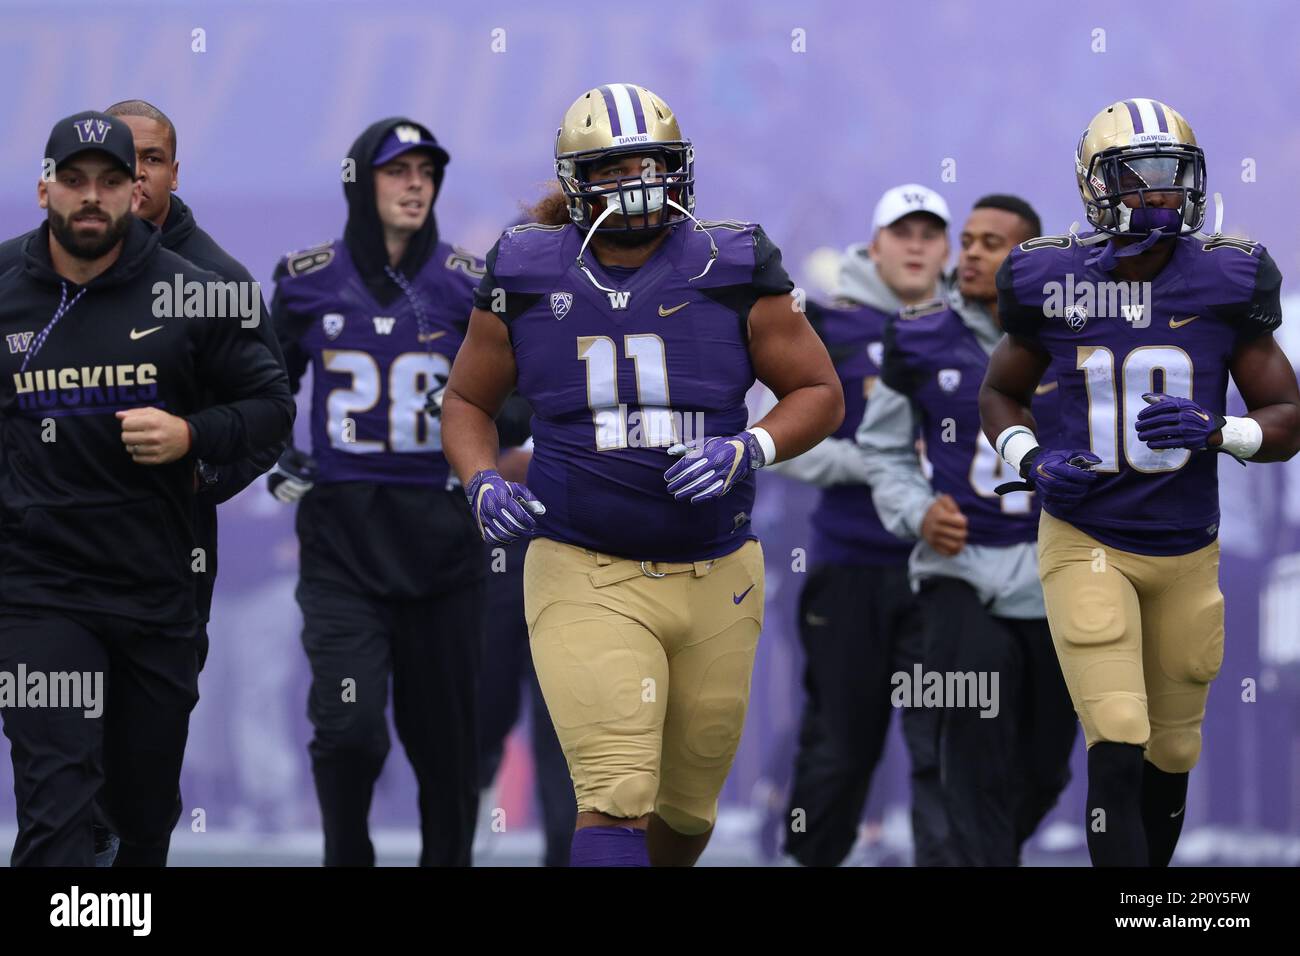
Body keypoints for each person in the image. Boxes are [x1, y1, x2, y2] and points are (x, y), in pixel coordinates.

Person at [442, 82, 843, 867]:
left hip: (718, 567)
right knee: (617, 792)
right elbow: (466, 400)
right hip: (582, 563)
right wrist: (482, 479)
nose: (642, 183)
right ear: (574, 181)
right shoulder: (524, 269)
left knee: (688, 809)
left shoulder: (733, 263)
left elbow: (819, 392)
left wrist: (748, 448)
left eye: (654, 164)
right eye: (618, 168)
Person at [980, 99, 1300, 866]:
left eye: (1173, 177)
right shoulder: (1047, 276)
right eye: (1141, 176)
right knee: (1118, 734)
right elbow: (999, 394)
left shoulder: (1229, 276)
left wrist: (1222, 432)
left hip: (1190, 548)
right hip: (1087, 537)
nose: (1161, 194)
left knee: (1174, 749)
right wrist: (1029, 460)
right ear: (1097, 186)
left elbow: (1287, 414)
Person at [0, 111, 292, 866]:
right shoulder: (3, 285)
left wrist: (193, 438)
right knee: (57, 802)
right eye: (73, 180)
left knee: (138, 812)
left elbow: (272, 410)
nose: (89, 197)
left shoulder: (200, 292)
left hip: (156, 590)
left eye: (109, 181)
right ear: (44, 190)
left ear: (138, 192)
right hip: (39, 593)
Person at [270, 117, 494, 866]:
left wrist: (489, 448)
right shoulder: (306, 280)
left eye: (427, 172)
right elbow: (263, 383)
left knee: (447, 753)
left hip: (443, 546)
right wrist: (284, 456)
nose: (415, 185)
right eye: (397, 171)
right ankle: (346, 857)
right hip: (342, 544)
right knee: (350, 728)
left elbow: (517, 394)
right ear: (359, 182)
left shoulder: (469, 283)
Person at [859, 195, 1077, 865]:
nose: (974, 252)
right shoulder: (919, 333)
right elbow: (884, 447)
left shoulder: (1074, 335)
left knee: (1046, 767)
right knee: (972, 742)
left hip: (1056, 575)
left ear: (1031, 260)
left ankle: (987, 852)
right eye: (971, 240)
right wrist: (917, 510)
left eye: (994, 242)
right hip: (961, 573)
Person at [753, 184, 952, 866]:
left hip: (945, 568)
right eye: (905, 232)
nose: (918, 245)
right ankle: (807, 854)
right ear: (875, 247)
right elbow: (771, 436)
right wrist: (875, 465)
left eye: (931, 233)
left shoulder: (974, 329)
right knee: (839, 738)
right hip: (850, 565)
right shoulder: (830, 327)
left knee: (942, 737)